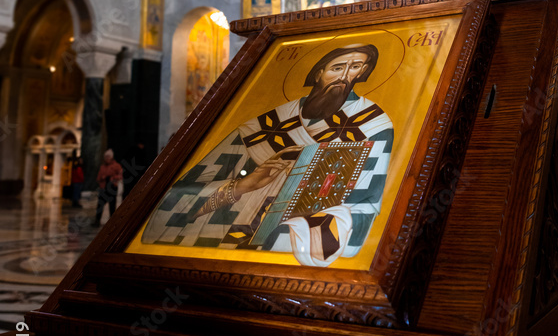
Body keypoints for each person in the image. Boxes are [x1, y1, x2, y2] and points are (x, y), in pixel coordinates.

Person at [142, 45, 394, 267]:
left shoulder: (372, 126)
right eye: (337, 67)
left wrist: (297, 228)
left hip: (294, 241)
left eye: (356, 67)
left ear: (362, 73)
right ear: (318, 73)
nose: (345, 75)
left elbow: (364, 204)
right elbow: (175, 202)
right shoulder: (266, 124)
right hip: (219, 248)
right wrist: (243, 185)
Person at [95, 149, 123, 227]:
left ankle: (112, 222)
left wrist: (112, 178)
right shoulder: (102, 167)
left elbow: (120, 176)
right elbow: (98, 178)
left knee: (112, 205)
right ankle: (97, 220)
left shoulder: (116, 166)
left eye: (108, 157)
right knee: (100, 205)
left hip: (112, 187)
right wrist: (102, 178)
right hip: (103, 188)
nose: (107, 158)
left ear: (111, 157)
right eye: (106, 157)